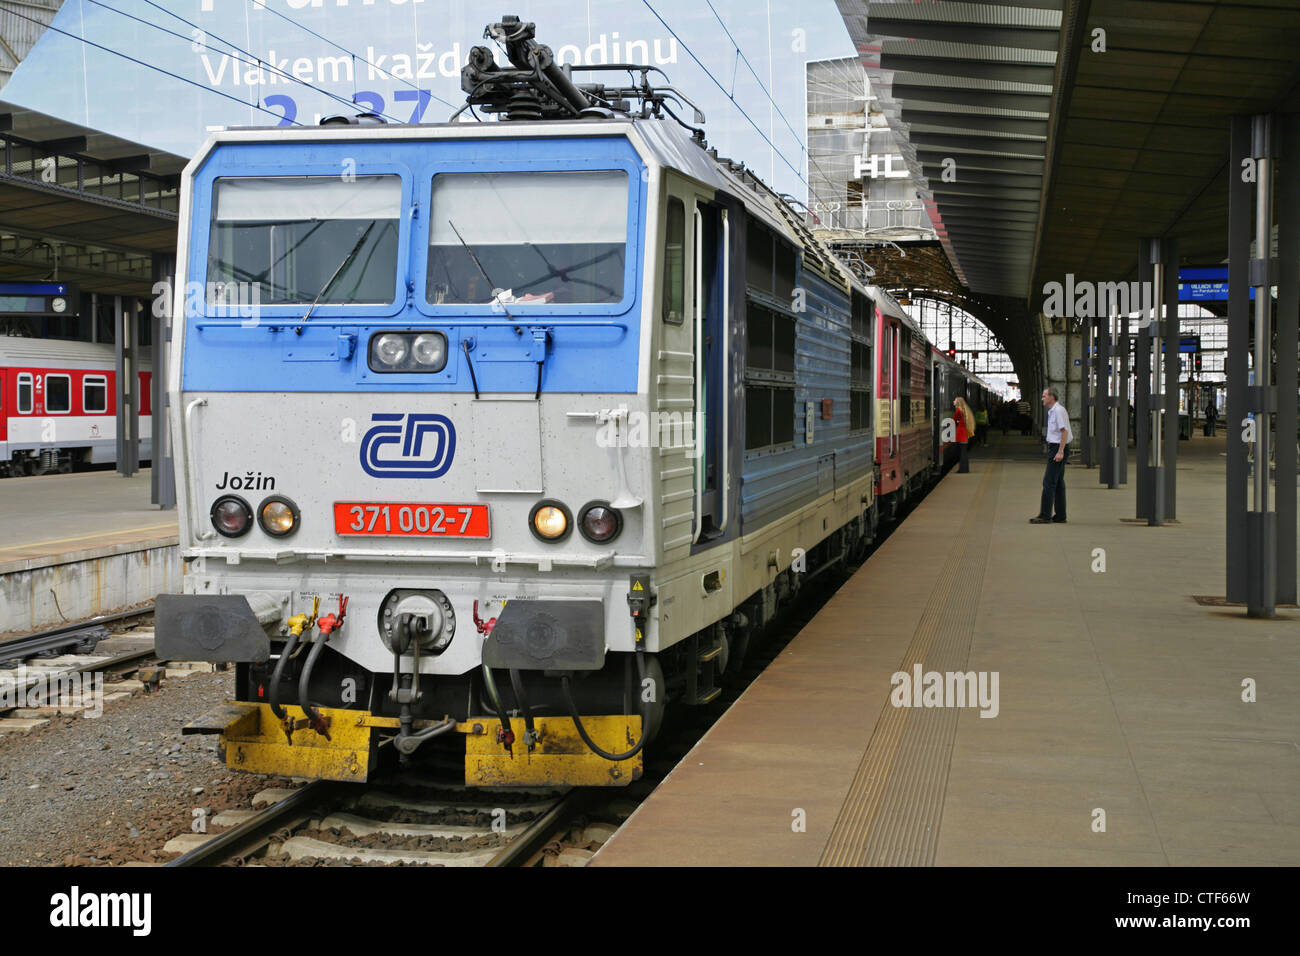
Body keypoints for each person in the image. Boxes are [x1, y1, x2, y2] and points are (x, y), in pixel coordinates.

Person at [1030, 386, 1071, 524]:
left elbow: (1064, 432)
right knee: (1058, 483)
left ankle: (1045, 515)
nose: (1042, 398)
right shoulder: (1054, 411)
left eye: (1044, 396)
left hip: (1058, 448)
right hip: (1057, 447)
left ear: (1051, 397)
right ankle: (1060, 515)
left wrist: (1060, 451)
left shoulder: (1058, 411)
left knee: (1048, 482)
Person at [954, 396, 974, 473]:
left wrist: (957, 422)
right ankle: (965, 469)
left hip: (960, 434)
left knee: (961, 453)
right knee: (964, 453)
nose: (953, 401)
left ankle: (962, 469)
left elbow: (954, 420)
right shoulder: (965, 411)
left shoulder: (958, 411)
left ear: (958, 402)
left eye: (955, 400)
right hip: (964, 434)